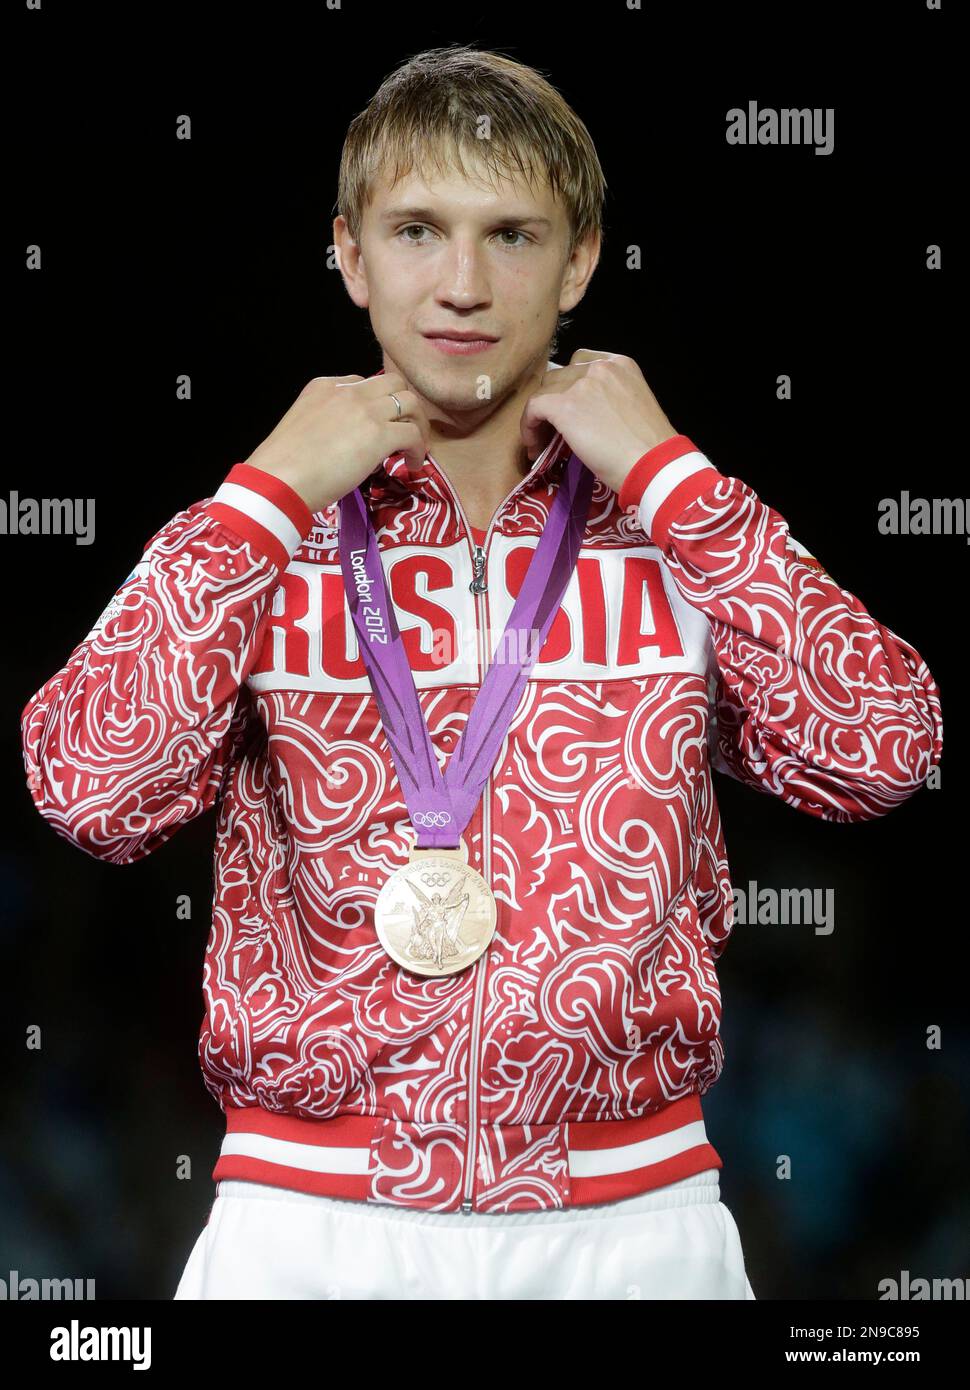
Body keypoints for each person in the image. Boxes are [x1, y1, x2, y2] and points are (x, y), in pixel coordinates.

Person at [20, 44, 942, 1301]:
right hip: (306, 1222)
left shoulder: (667, 523)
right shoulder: (264, 528)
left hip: (635, 1224)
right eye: (416, 229)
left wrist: (673, 478)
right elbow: (89, 791)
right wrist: (260, 499)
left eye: (511, 235)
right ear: (346, 253)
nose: (461, 284)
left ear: (578, 261)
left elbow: (886, 749)